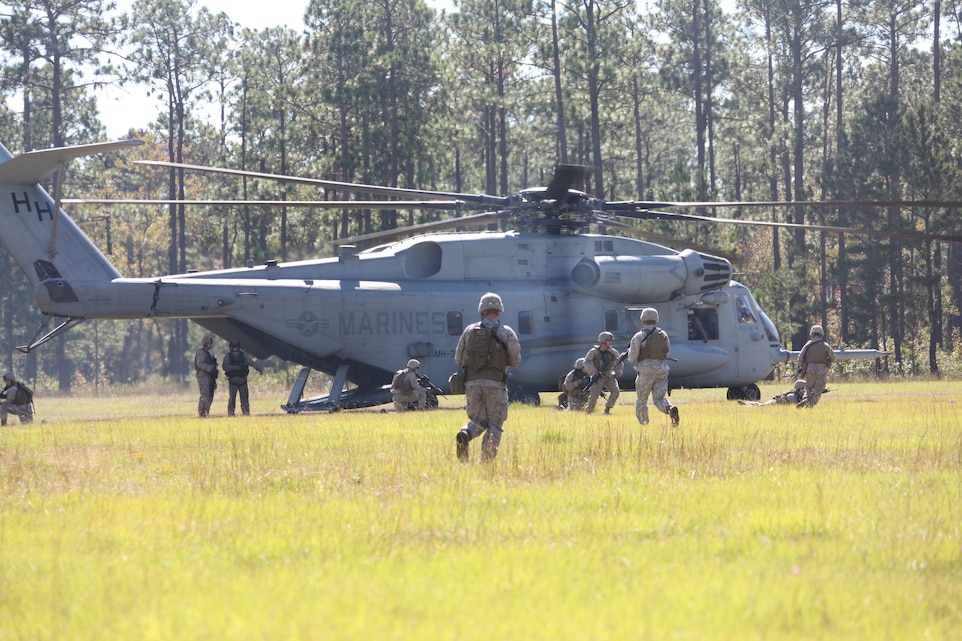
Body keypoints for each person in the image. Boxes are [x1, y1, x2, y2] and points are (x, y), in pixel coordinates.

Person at [454, 292, 522, 462]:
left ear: (481, 310)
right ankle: (486, 462)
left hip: (471, 383)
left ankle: (466, 433)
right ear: (499, 311)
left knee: (479, 419)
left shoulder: (469, 331)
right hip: (495, 384)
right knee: (495, 423)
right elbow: (515, 360)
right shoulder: (506, 332)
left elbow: (459, 358)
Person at [627, 308, 679, 426]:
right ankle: (670, 409)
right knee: (659, 399)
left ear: (643, 319)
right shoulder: (663, 334)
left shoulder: (639, 336)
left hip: (646, 372)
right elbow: (667, 351)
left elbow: (632, 358)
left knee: (642, 400)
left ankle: (644, 424)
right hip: (662, 370)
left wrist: (630, 351)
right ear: (656, 319)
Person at [583, 331, 623, 414]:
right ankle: (589, 411)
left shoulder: (613, 352)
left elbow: (619, 362)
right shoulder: (594, 351)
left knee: (616, 391)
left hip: (609, 375)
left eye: (611, 340)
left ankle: (607, 409)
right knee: (594, 395)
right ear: (603, 341)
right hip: (597, 376)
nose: (611, 342)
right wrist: (592, 369)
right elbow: (586, 362)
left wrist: (619, 370)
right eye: (609, 340)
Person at [797, 324, 836, 408]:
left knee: (808, 387)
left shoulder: (807, 345)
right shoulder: (825, 345)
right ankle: (810, 405)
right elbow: (833, 358)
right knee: (818, 389)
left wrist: (803, 366)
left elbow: (800, 358)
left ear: (812, 333)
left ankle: (805, 398)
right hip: (822, 370)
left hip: (810, 369)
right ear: (821, 334)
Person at [222, 339, 264, 416]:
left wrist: (258, 368)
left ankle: (246, 411)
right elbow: (225, 367)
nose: (235, 349)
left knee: (244, 397)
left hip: (242, 379)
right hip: (233, 379)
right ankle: (231, 412)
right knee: (232, 397)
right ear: (231, 347)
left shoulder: (243, 355)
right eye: (234, 347)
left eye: (236, 347)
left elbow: (251, 362)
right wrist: (235, 367)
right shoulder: (228, 356)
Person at [195, 336, 218, 417]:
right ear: (205, 344)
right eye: (209, 343)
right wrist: (210, 368)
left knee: (210, 395)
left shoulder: (208, 353)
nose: (210, 345)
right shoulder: (201, 353)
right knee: (205, 394)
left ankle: (206, 412)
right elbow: (200, 364)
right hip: (203, 375)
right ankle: (202, 412)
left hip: (209, 376)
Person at [738, 380, 808, 406]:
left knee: (761, 405)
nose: (805, 390)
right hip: (775, 403)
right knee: (762, 407)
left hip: (776, 402)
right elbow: (794, 407)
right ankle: (746, 405)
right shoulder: (792, 396)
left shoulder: (798, 395)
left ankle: (747, 403)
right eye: (803, 388)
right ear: (799, 389)